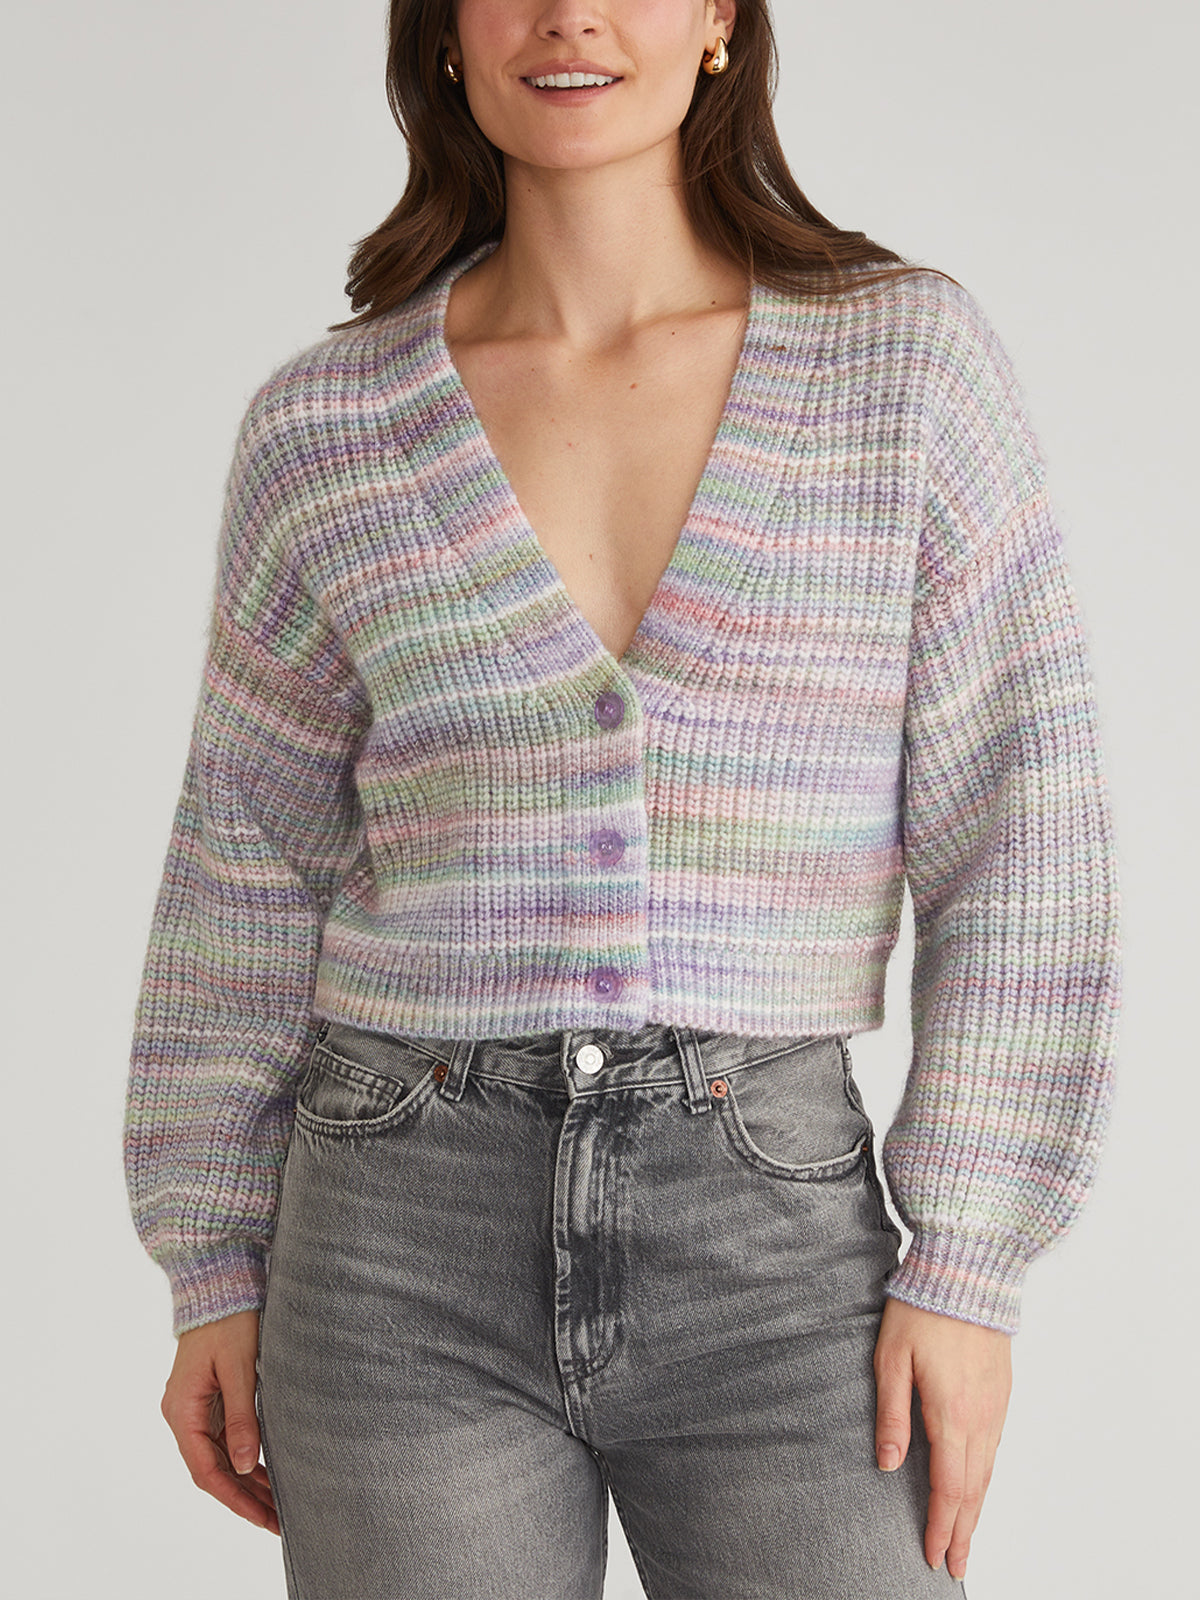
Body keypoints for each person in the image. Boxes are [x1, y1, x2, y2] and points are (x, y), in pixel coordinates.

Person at [123, 3, 1121, 1596]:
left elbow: (1022, 834)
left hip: (774, 1243)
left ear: (720, 18)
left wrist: (971, 1263)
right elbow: (243, 863)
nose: (571, 14)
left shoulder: (903, 370)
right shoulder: (327, 430)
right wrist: (214, 1261)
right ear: (444, 32)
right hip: (391, 1246)